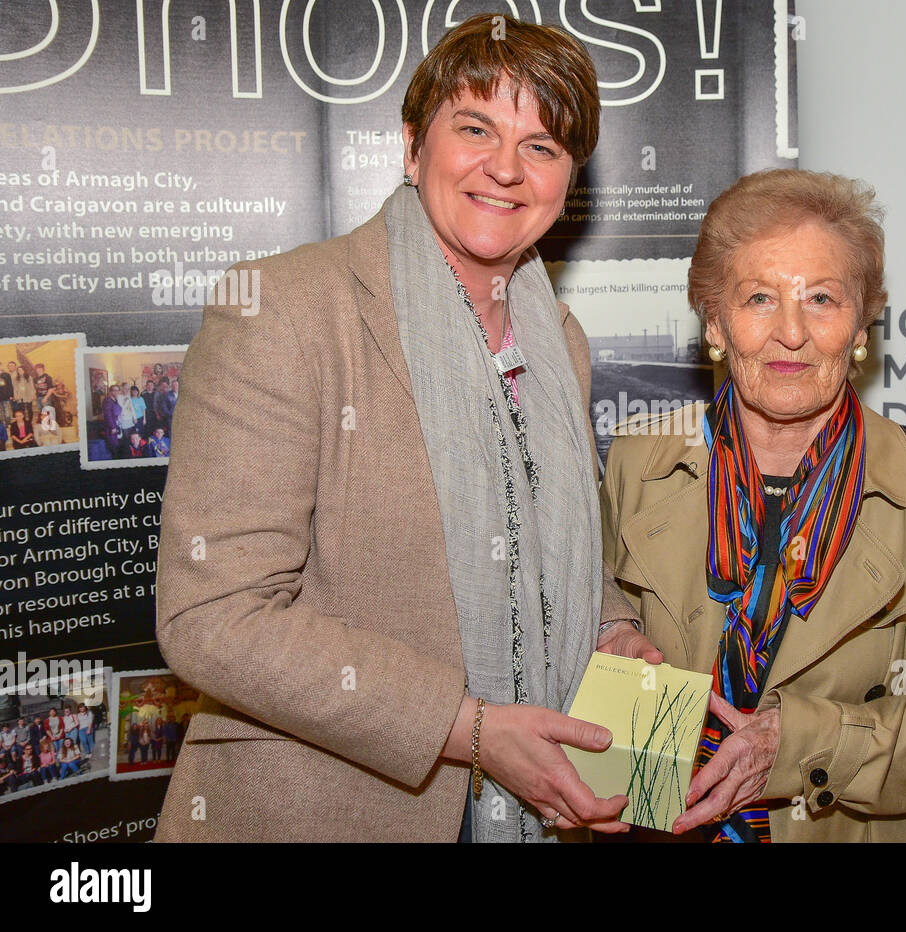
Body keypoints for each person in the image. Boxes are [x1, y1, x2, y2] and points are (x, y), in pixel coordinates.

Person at [153, 13, 659, 843]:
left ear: (569, 179)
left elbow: (546, 538)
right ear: (412, 144)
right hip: (320, 811)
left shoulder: (556, 335)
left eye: (542, 147)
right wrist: (474, 731)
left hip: (534, 806)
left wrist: (613, 630)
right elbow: (214, 618)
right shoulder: (283, 311)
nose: (505, 167)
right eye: (475, 129)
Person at [600, 170, 906, 843]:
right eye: (759, 297)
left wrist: (799, 745)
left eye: (821, 298)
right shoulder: (640, 462)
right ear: (716, 321)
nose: (790, 333)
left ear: (860, 324)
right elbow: (611, 650)